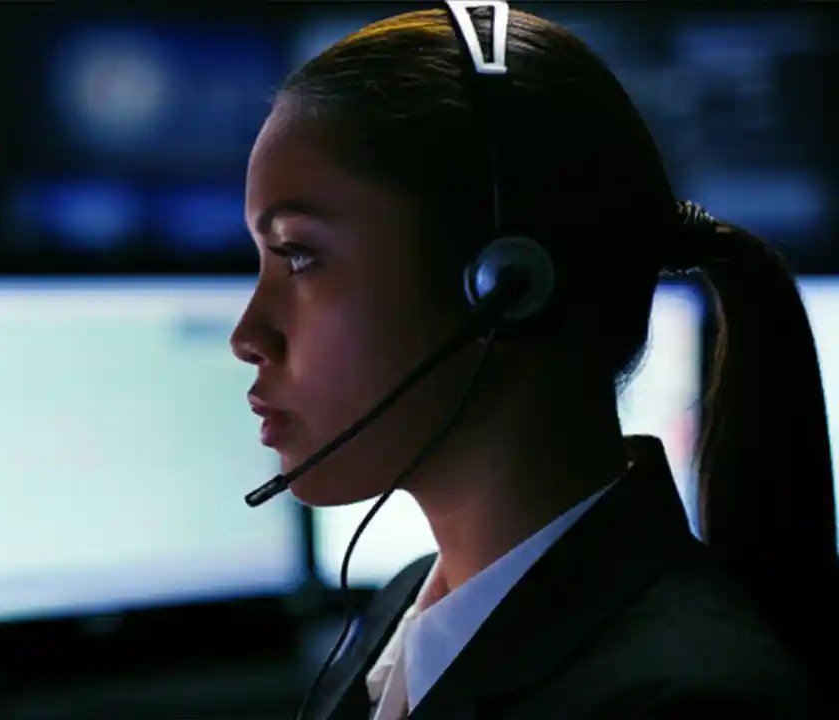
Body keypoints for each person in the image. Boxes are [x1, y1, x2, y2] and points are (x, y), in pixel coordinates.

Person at [230, 5, 837, 719]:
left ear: (505, 285)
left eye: (299, 256)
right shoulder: (407, 609)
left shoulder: (685, 700)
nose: (248, 334)